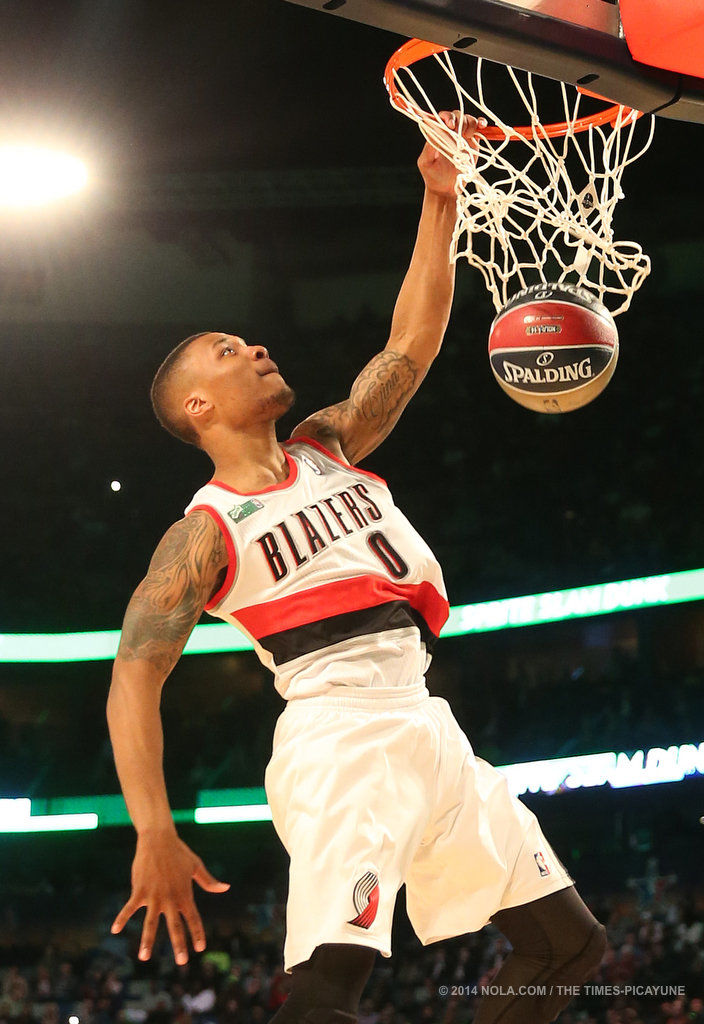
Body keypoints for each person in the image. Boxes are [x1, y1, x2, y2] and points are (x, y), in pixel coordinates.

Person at [107, 112, 607, 1024]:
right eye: (229, 352)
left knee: (569, 945)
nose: (257, 347)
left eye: (249, 340)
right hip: (339, 741)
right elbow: (134, 674)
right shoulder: (204, 535)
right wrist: (154, 831)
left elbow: (409, 347)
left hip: (425, 720)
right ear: (198, 406)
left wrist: (440, 198)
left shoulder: (327, 444)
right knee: (326, 994)